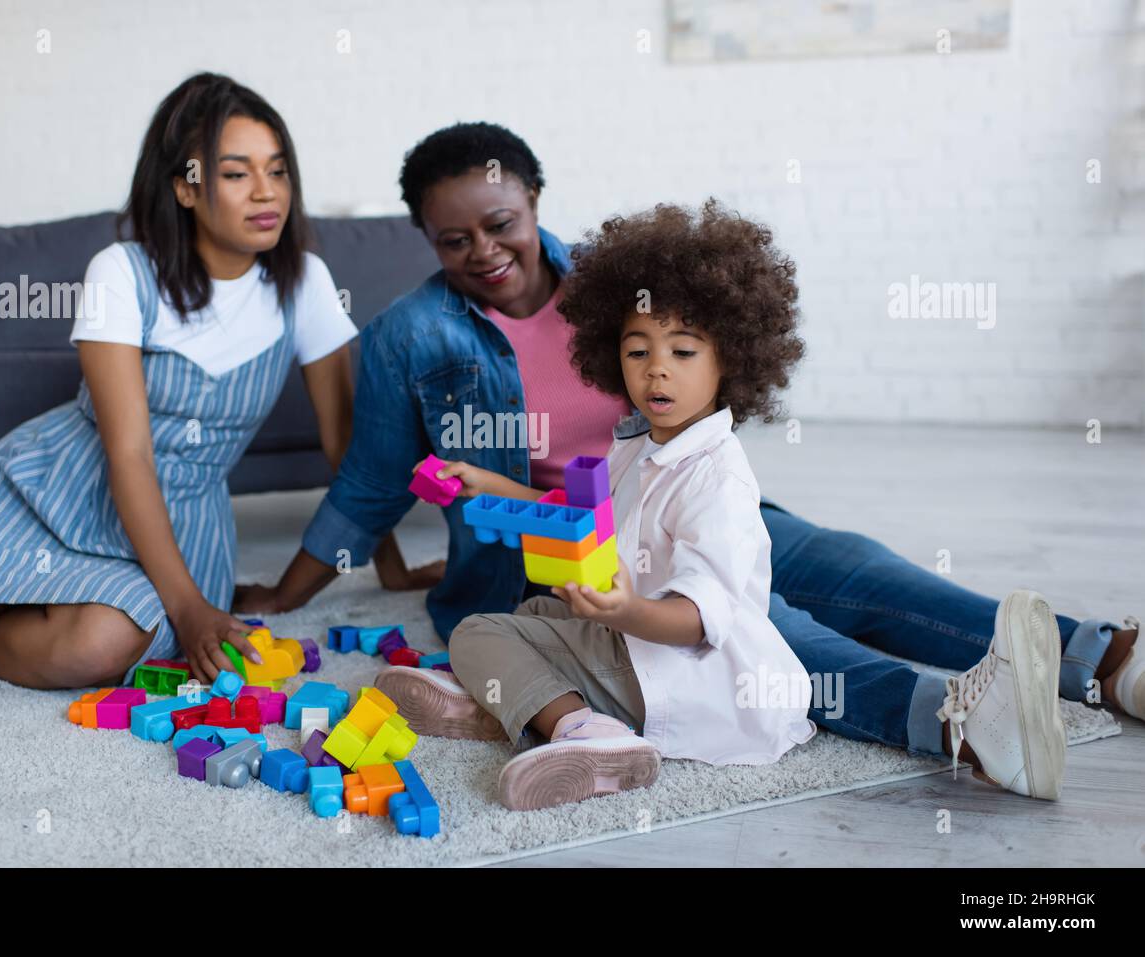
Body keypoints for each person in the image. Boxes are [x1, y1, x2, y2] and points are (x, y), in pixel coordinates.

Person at [236, 121, 1141, 798]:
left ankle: (1101, 660)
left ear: (536, 202)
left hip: (679, 499)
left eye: (500, 222)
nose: (485, 251)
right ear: (426, 240)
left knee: (857, 569)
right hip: (571, 558)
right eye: (453, 239)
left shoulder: (623, 286)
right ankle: (961, 724)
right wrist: (286, 591)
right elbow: (366, 483)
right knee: (771, 628)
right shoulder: (410, 333)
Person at [0, 72, 411, 714]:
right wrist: (191, 610)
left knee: (102, 644)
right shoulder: (122, 272)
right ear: (184, 187)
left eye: (278, 171)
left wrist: (385, 570)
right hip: (53, 488)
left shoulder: (304, 281)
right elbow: (130, 456)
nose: (266, 192)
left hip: (183, 521)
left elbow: (347, 448)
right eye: (236, 173)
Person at [380, 200, 819, 810]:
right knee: (535, 606)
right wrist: (489, 482)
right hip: (632, 638)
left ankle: (586, 732)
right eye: (638, 351)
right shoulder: (639, 444)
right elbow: (585, 518)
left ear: (733, 361)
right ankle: (512, 701)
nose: (655, 372)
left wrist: (626, 609)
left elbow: (697, 619)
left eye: (683, 353)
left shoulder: (717, 479)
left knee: (478, 629)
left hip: (672, 668)